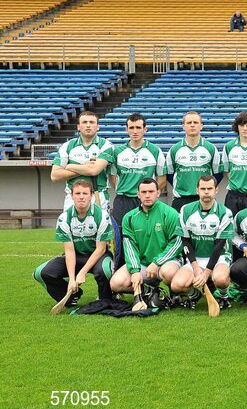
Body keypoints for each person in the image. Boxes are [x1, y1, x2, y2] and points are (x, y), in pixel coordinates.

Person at [60, 112, 166, 269]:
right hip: (123, 200)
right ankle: (121, 274)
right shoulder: (117, 152)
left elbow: (161, 180)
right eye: (131, 128)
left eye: (138, 127)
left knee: (148, 237)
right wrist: (123, 190)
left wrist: (147, 195)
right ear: (126, 129)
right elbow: (113, 177)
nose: (135, 131)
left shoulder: (155, 151)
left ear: (145, 129)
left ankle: (149, 275)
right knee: (120, 239)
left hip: (144, 201)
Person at [33, 180, 114, 308]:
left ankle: (105, 298)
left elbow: (101, 249)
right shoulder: (64, 218)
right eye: (77, 193)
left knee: (105, 270)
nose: (81, 196)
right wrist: (72, 279)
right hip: (76, 255)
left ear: (91, 195)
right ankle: (72, 296)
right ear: (71, 195)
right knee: (41, 272)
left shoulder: (102, 215)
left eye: (85, 193)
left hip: (98, 255)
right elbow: (69, 251)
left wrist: (82, 272)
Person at [109, 178, 183, 298]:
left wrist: (157, 262)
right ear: (138, 194)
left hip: (166, 263)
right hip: (143, 264)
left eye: (151, 191)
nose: (147, 195)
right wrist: (135, 270)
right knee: (116, 283)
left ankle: (176, 294)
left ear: (158, 193)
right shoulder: (129, 217)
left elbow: (177, 243)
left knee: (168, 273)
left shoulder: (171, 214)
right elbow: (129, 247)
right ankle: (151, 292)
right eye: (143, 192)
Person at [170, 175, 234, 310]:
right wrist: (195, 267)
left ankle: (223, 296)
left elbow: (219, 246)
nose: (206, 192)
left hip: (219, 257)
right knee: (177, 285)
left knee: (220, 279)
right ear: (197, 190)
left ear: (216, 190)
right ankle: (195, 295)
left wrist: (206, 273)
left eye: (210, 188)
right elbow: (185, 241)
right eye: (203, 188)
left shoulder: (225, 213)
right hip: (196, 259)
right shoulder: (186, 210)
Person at [50, 111, 113, 211]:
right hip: (73, 196)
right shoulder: (67, 146)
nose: (88, 125)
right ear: (78, 126)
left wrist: (69, 166)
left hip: (98, 195)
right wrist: (85, 166)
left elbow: (93, 171)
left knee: (99, 226)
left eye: (92, 122)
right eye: (84, 122)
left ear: (97, 126)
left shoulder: (106, 145)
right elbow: (55, 175)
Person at [166, 111, 221, 211]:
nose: (192, 125)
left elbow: (217, 174)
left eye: (195, 122)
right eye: (189, 123)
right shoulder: (174, 149)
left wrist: (205, 190)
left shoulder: (211, 148)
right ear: (183, 126)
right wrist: (184, 188)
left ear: (201, 126)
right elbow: (169, 175)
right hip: (181, 199)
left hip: (204, 199)